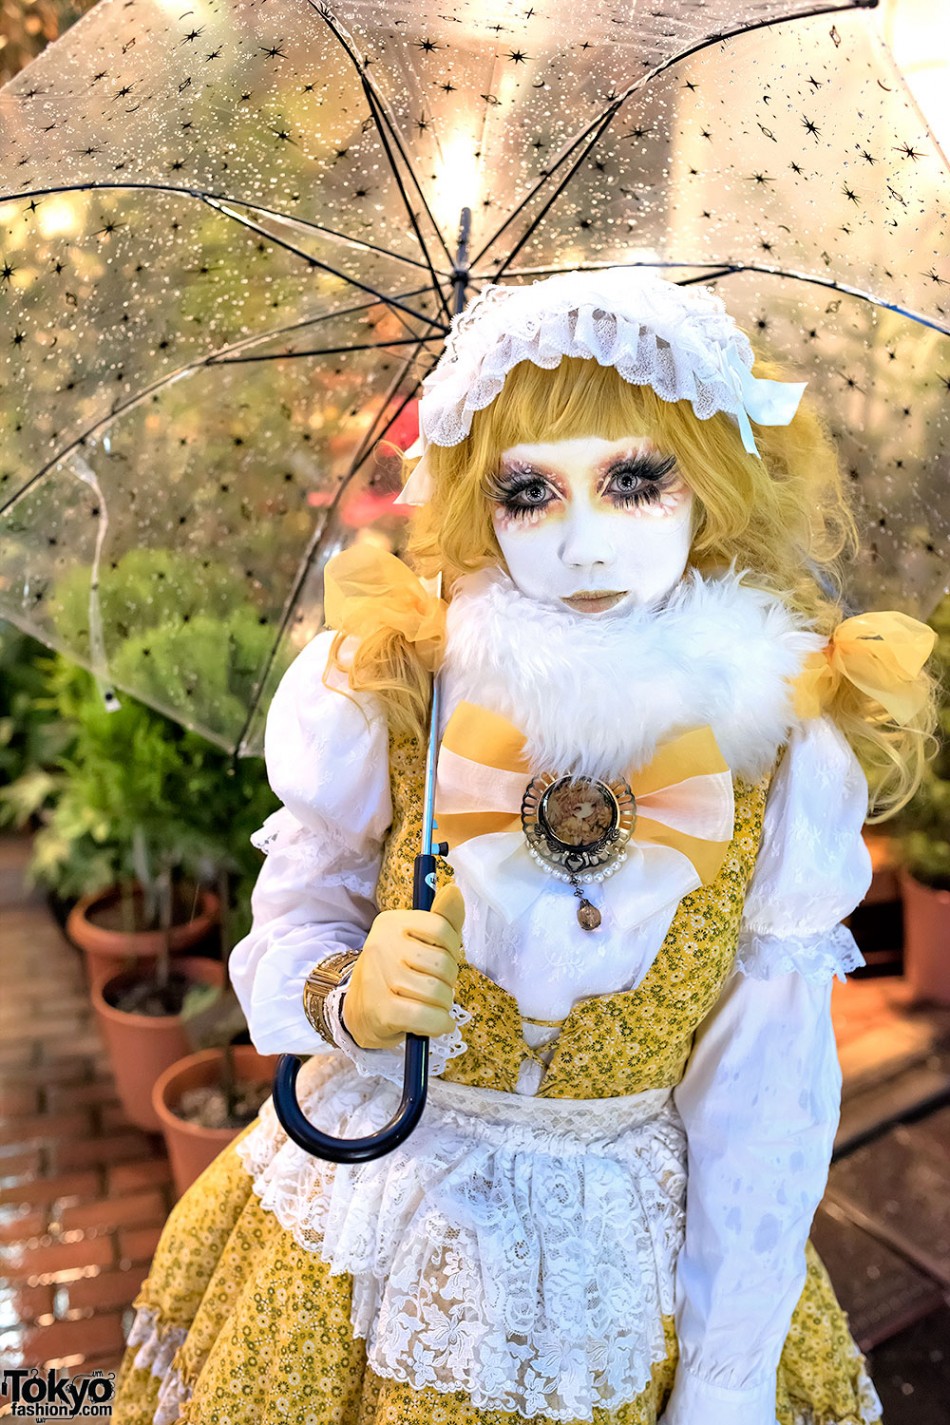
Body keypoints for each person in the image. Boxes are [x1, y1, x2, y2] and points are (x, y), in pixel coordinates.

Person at [112, 268, 937, 1425]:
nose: (583, 539)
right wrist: (349, 992)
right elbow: (296, 910)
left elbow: (767, 1086)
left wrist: (725, 1370)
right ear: (475, 497)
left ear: (710, 480)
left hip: (622, 1263)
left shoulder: (784, 747)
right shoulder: (401, 682)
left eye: (633, 480)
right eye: (530, 491)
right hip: (373, 1211)